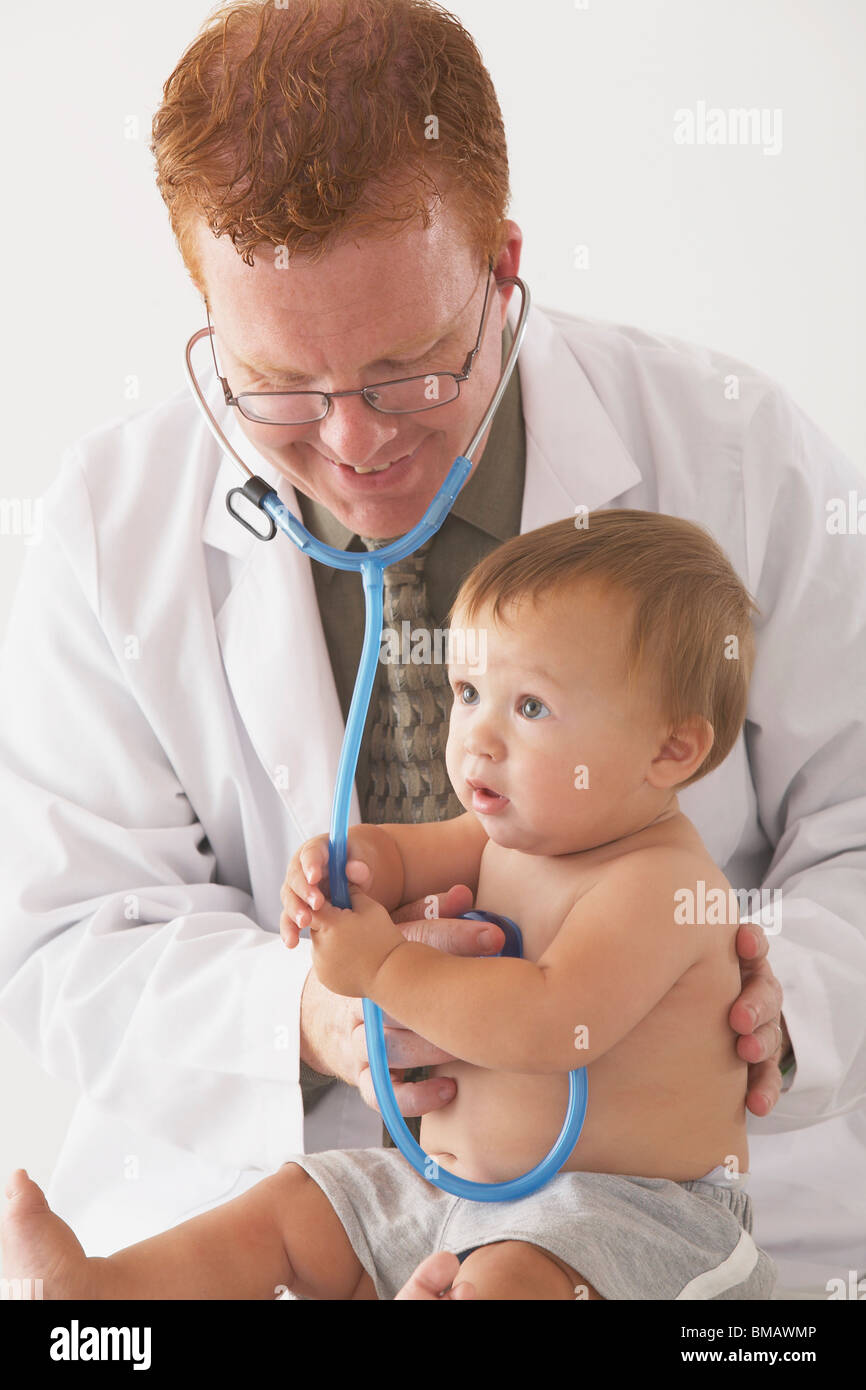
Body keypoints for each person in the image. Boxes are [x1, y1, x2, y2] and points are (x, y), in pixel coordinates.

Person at [0, 0, 861, 1295]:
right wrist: (308, 1010)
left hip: (675, 1194)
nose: (354, 442)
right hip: (325, 1176)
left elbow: (853, 809)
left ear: (502, 265)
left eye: (409, 372)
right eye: (280, 385)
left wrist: (766, 1008)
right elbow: (70, 934)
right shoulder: (103, 531)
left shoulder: (734, 452)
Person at [2, 511, 779, 1300]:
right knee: (294, 1204)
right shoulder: (501, 833)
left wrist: (383, 967)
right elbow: (404, 854)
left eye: (532, 707)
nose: (476, 738)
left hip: (628, 1215)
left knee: (507, 1280)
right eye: (470, 692)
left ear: (670, 750)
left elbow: (548, 1024)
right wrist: (347, 863)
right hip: (456, 1192)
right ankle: (105, 1292)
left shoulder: (662, 887)